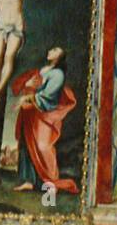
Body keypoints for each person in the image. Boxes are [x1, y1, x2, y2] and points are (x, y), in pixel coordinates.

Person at [12, 47, 79, 194]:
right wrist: (27, 86)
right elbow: (30, 86)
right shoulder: (43, 69)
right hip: (30, 112)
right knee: (26, 144)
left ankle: (51, 181)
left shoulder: (57, 74)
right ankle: (28, 180)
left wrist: (29, 96)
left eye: (55, 50)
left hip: (44, 113)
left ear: (60, 57)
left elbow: (49, 95)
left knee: (43, 147)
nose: (50, 50)